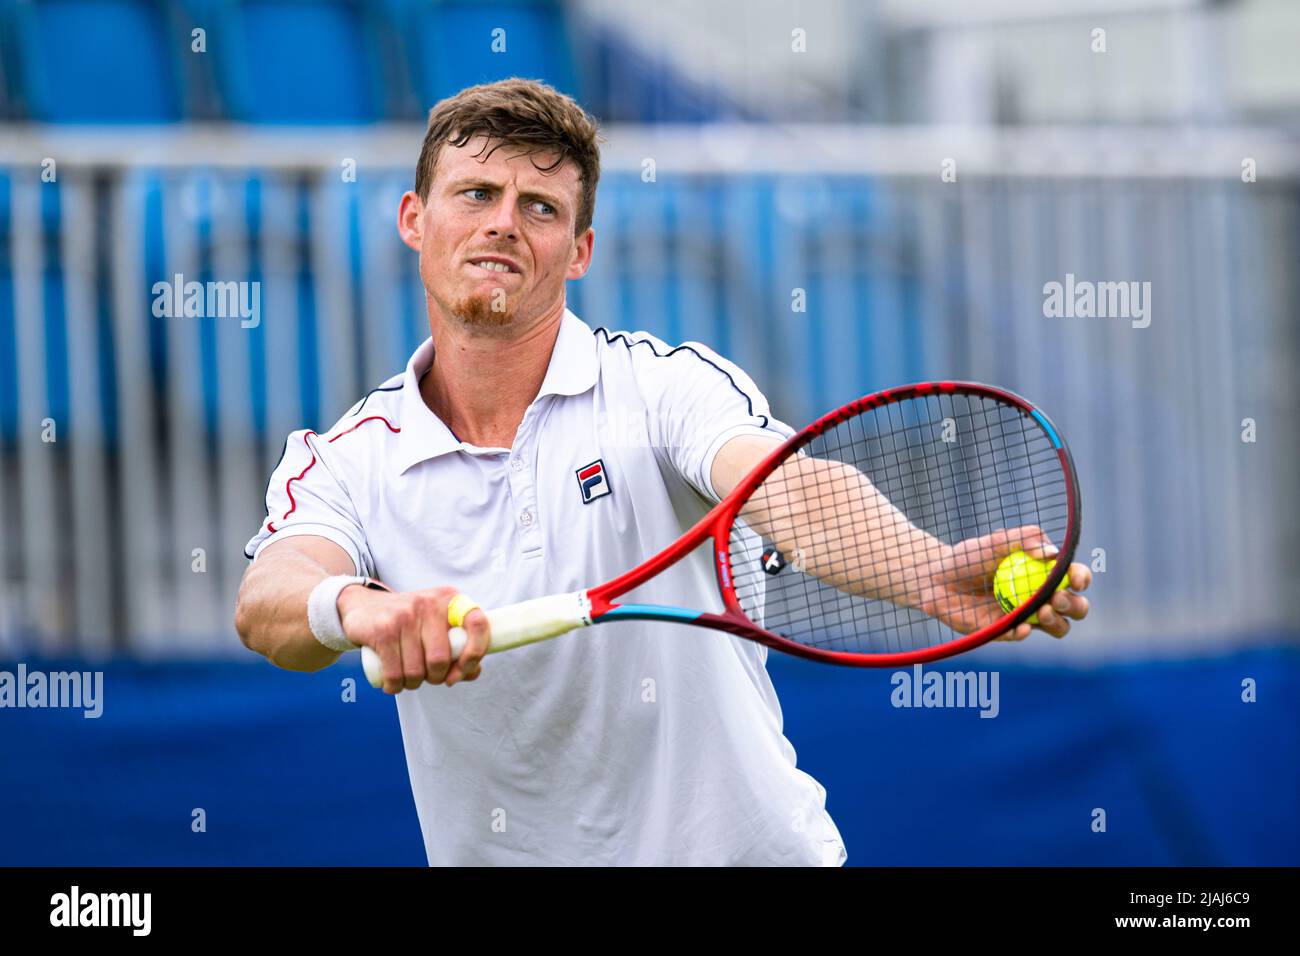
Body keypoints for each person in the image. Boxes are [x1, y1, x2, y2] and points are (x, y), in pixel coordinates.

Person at [235, 78, 1090, 866]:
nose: (503, 223)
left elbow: (790, 491)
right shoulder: (347, 457)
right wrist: (360, 608)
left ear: (579, 251)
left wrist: (923, 567)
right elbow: (270, 601)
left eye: (540, 207)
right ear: (415, 220)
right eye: (476, 194)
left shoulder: (665, 387)